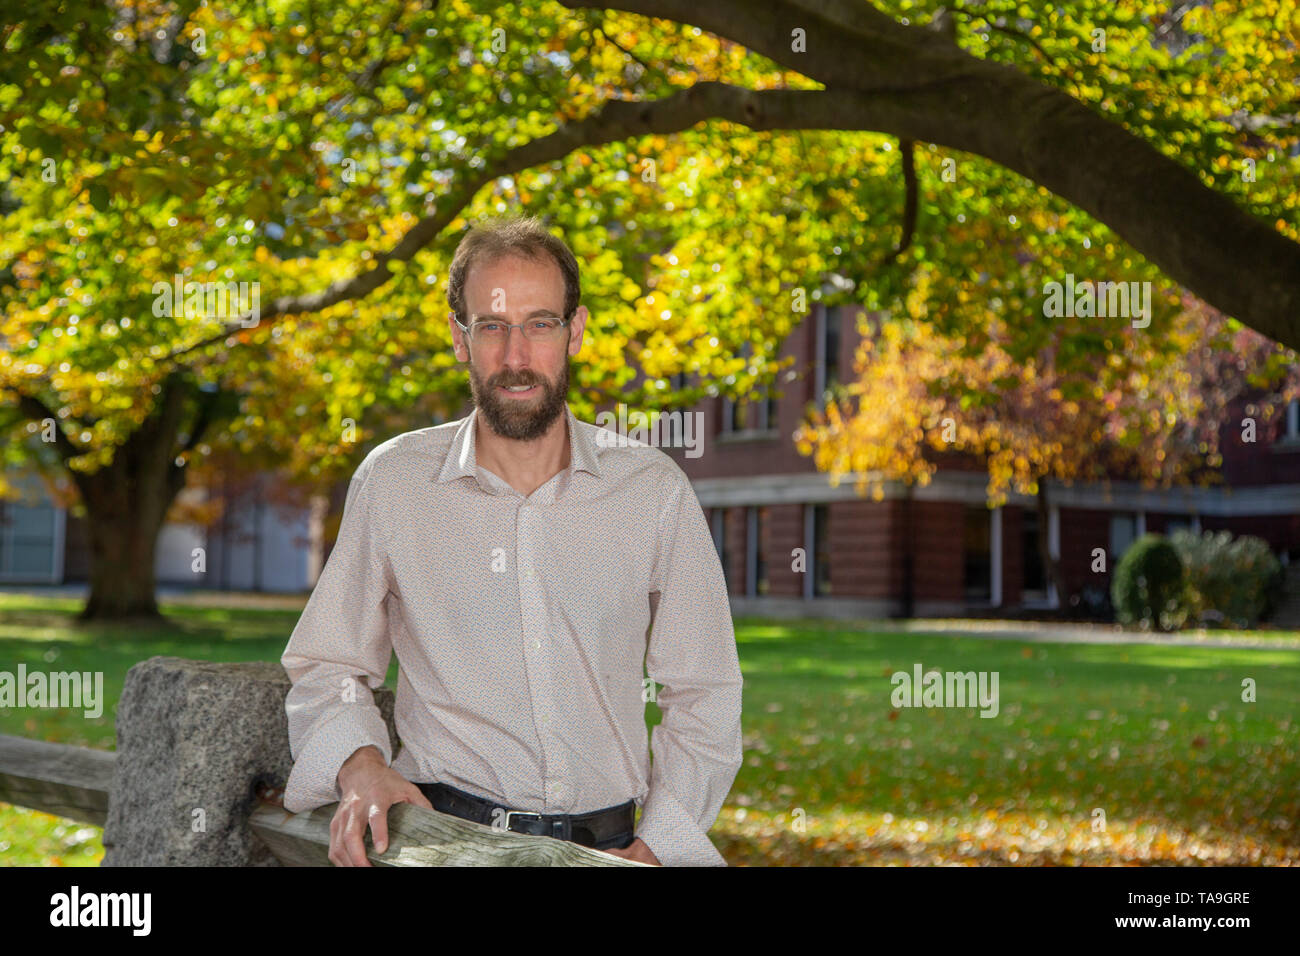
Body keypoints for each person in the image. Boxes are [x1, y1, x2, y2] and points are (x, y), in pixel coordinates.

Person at [280, 215, 744, 867]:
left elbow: (705, 690)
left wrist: (660, 847)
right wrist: (359, 764)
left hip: (612, 851)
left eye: (540, 324)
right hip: (443, 843)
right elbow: (329, 665)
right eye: (492, 327)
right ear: (458, 338)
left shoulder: (652, 490)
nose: (516, 357)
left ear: (574, 331)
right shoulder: (395, 482)